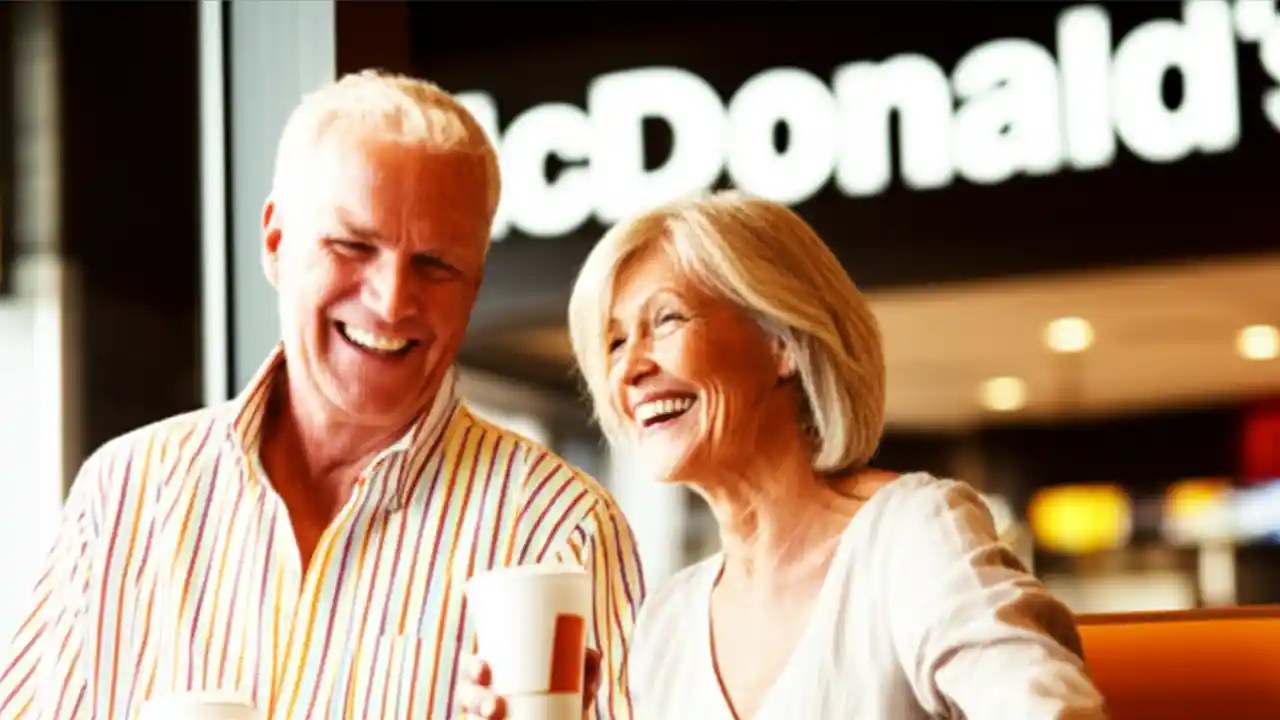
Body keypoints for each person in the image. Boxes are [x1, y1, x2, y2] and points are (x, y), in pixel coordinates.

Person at [0, 71, 644, 719]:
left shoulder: (564, 529)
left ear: (474, 283)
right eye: (352, 245)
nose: (391, 301)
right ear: (276, 241)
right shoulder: (125, 495)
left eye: (435, 264)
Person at [459, 191, 1107, 718]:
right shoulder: (668, 622)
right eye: (614, 341)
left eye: (667, 320)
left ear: (784, 343)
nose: (629, 367)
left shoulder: (909, 535)